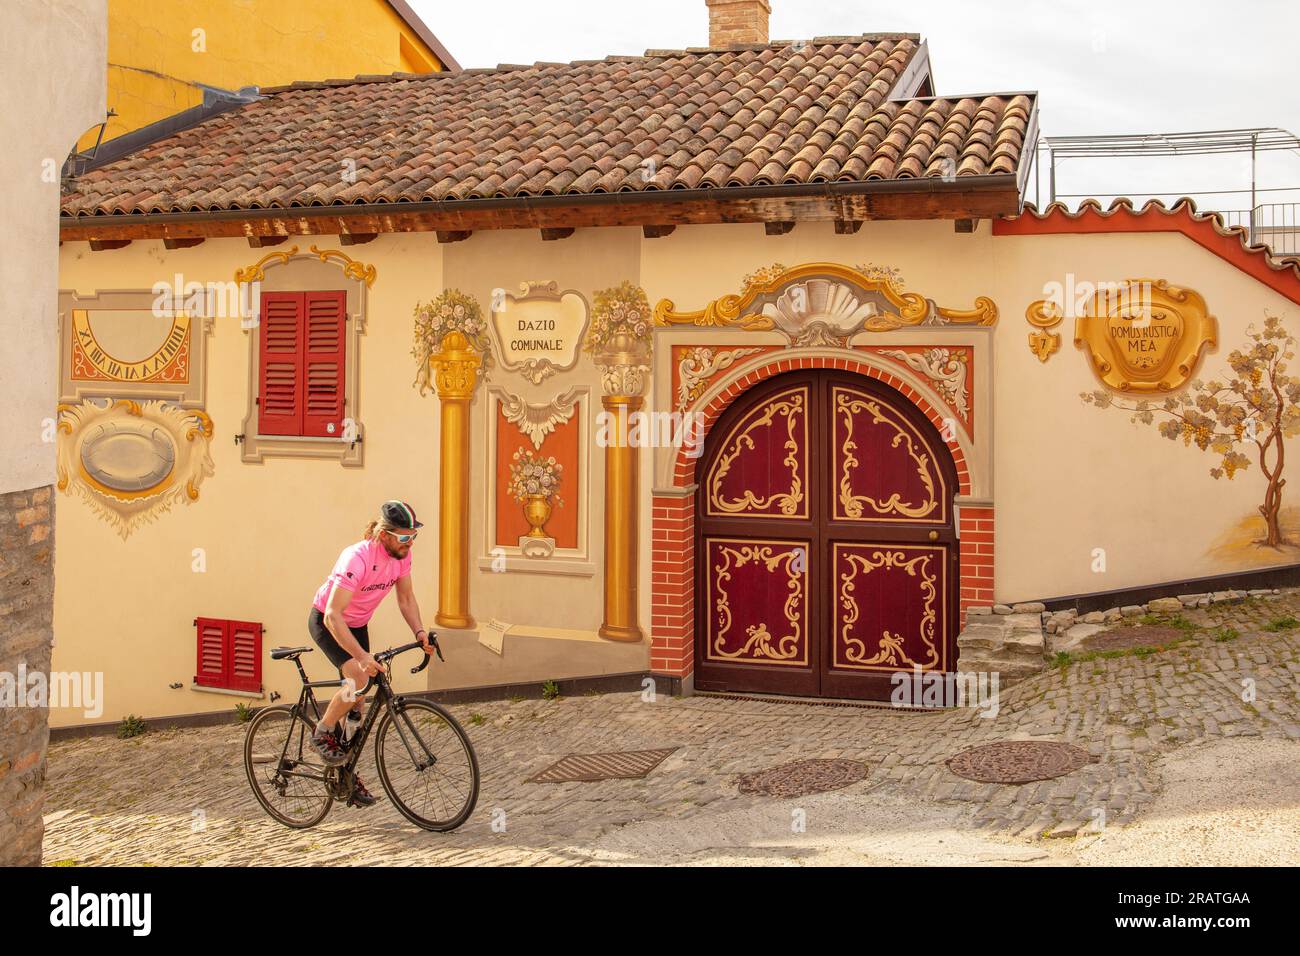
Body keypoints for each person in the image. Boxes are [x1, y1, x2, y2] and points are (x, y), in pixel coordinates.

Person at [307, 500, 435, 807]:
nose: (410, 542)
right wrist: (362, 657)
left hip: (358, 623)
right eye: (404, 537)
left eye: (413, 536)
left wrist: (419, 633)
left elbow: (406, 599)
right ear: (385, 534)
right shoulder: (357, 558)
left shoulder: (402, 556)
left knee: (359, 702)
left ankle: (345, 771)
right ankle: (322, 731)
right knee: (358, 678)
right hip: (329, 621)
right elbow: (332, 617)